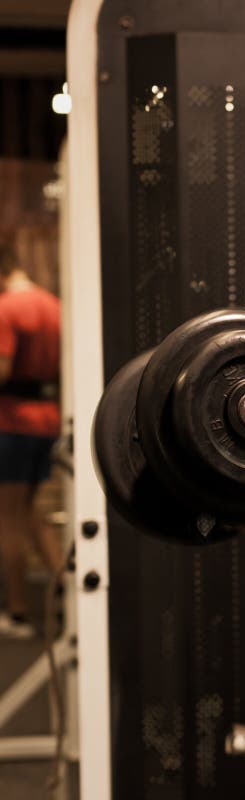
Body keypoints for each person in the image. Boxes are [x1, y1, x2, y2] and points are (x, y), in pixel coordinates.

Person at [0, 241, 61, 640]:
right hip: (46, 420)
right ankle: (67, 592)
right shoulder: (53, 305)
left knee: (8, 517)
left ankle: (18, 613)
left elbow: (2, 370)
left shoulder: (6, 308)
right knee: (29, 511)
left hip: (12, 422)